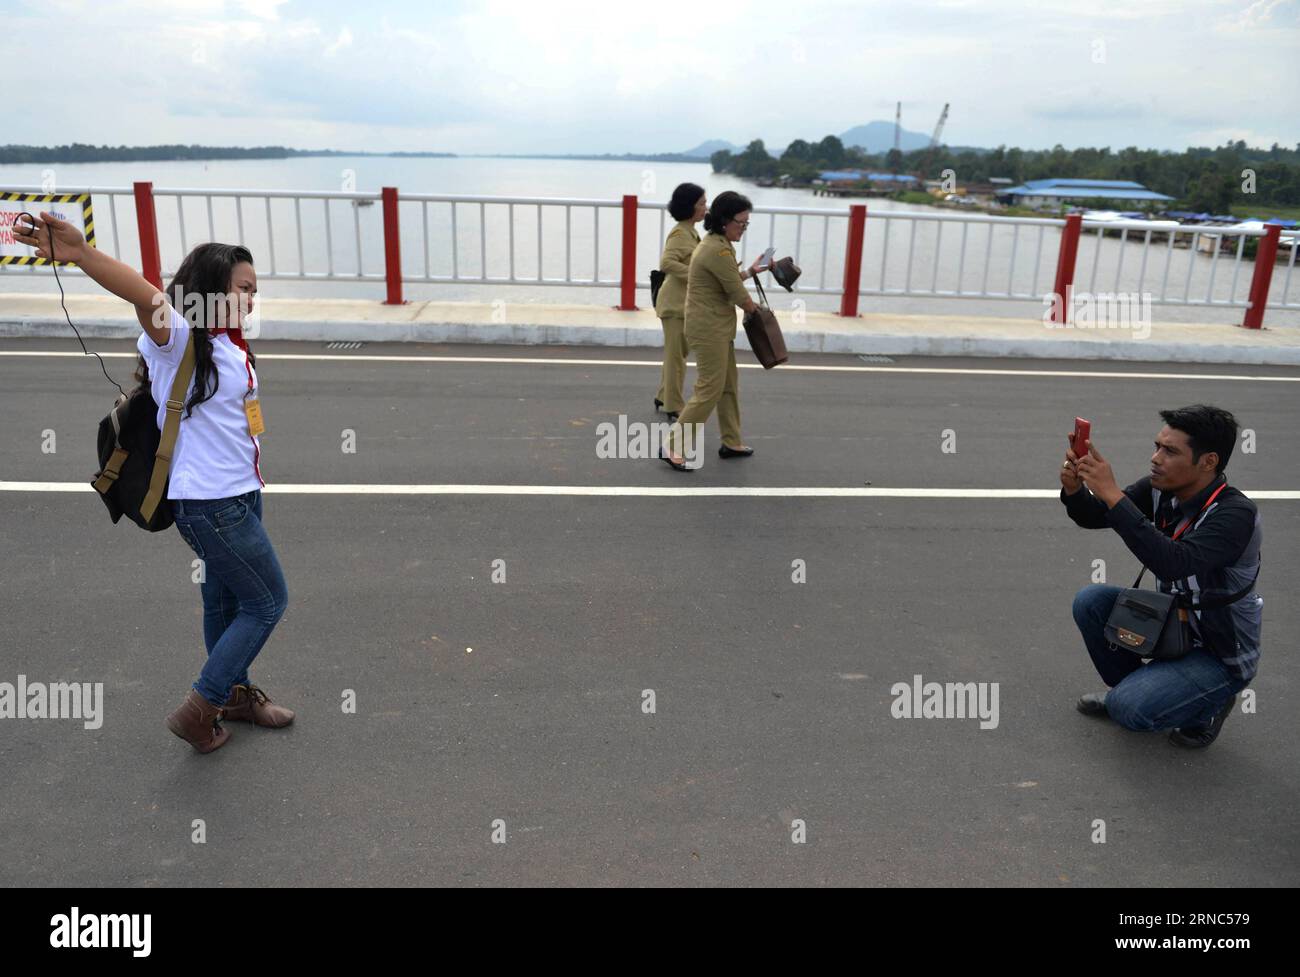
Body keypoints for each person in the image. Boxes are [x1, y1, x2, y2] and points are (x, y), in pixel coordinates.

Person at [14, 212, 293, 755]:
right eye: (243, 288)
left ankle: (233, 696)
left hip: (239, 493)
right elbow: (144, 296)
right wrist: (82, 254)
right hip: (211, 505)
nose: (252, 299)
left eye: (256, 290)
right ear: (210, 289)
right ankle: (201, 707)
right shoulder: (180, 338)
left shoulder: (228, 344)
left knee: (224, 602)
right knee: (267, 601)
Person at [1061, 405, 1262, 748]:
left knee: (1129, 710)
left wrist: (1111, 493)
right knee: (1091, 602)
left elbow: (1173, 563)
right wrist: (1075, 491)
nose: (1155, 458)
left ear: (1208, 461)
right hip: (1175, 621)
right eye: (1157, 446)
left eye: (1170, 451)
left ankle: (1207, 707)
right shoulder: (1161, 489)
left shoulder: (1234, 515)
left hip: (1219, 651)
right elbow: (1096, 516)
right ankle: (1146, 690)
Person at [660, 191, 770, 471]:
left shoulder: (717, 243)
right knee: (709, 388)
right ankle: (673, 445)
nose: (743, 228)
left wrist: (753, 271)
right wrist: (758, 311)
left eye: (747, 224)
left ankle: (731, 441)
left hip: (716, 326)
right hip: (709, 328)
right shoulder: (717, 249)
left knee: (728, 385)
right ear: (723, 221)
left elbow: (728, 279)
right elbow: (737, 294)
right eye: (740, 223)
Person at [652, 183, 706, 421]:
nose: (706, 207)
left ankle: (664, 394)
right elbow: (667, 263)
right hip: (674, 305)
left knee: (676, 355)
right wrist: (696, 273)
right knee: (676, 359)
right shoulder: (680, 233)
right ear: (690, 207)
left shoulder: (691, 231)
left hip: (682, 304)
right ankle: (673, 406)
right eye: (702, 203)